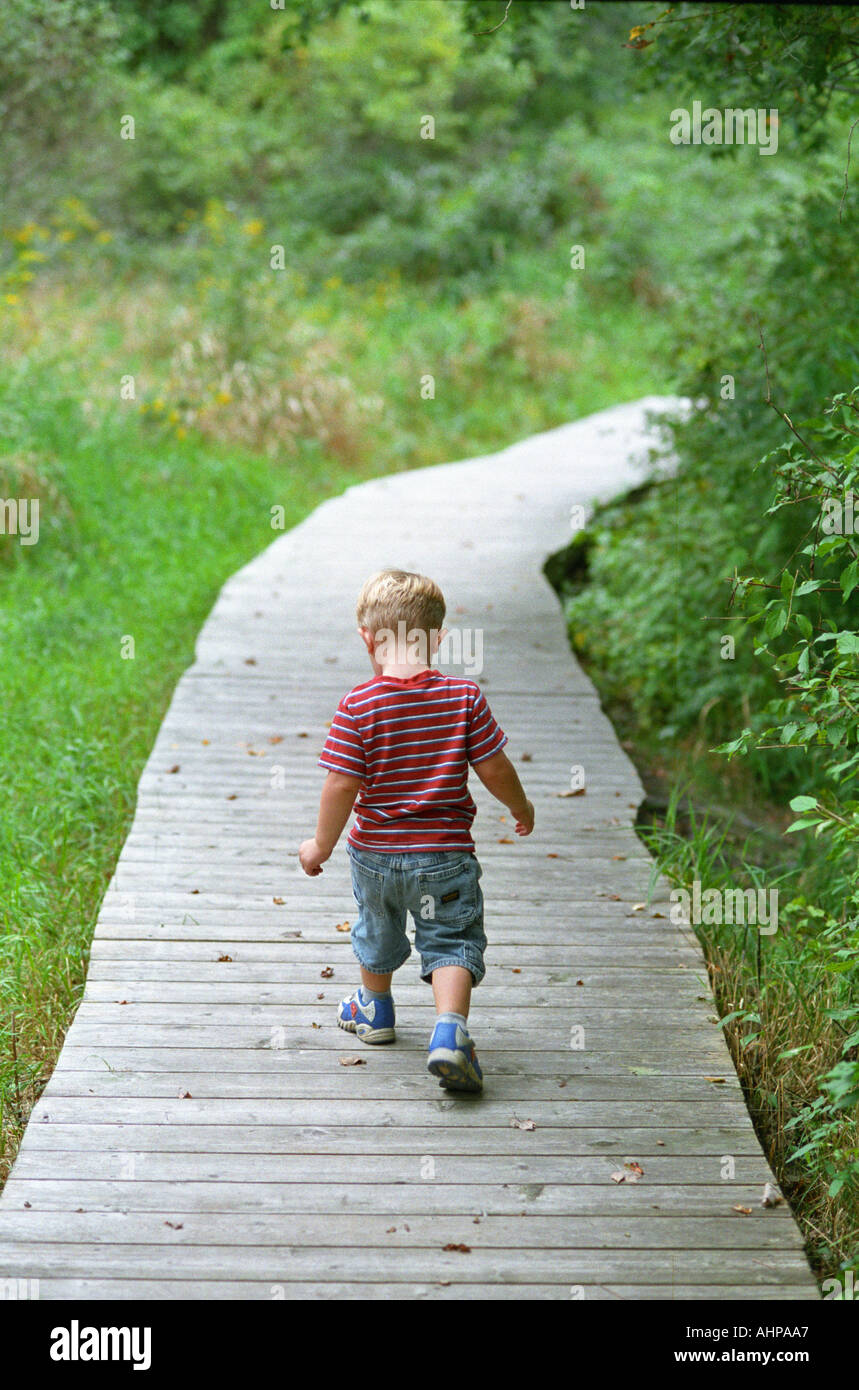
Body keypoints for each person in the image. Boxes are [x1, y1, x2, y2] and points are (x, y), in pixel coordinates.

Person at [299, 568, 534, 1092]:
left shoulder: (357, 706)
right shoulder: (463, 699)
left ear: (367, 639)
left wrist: (321, 845)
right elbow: (494, 767)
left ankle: (375, 1011)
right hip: (445, 858)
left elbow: (340, 785)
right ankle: (450, 1031)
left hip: (376, 857)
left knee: (376, 929)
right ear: (439, 638)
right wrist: (522, 807)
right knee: (450, 938)